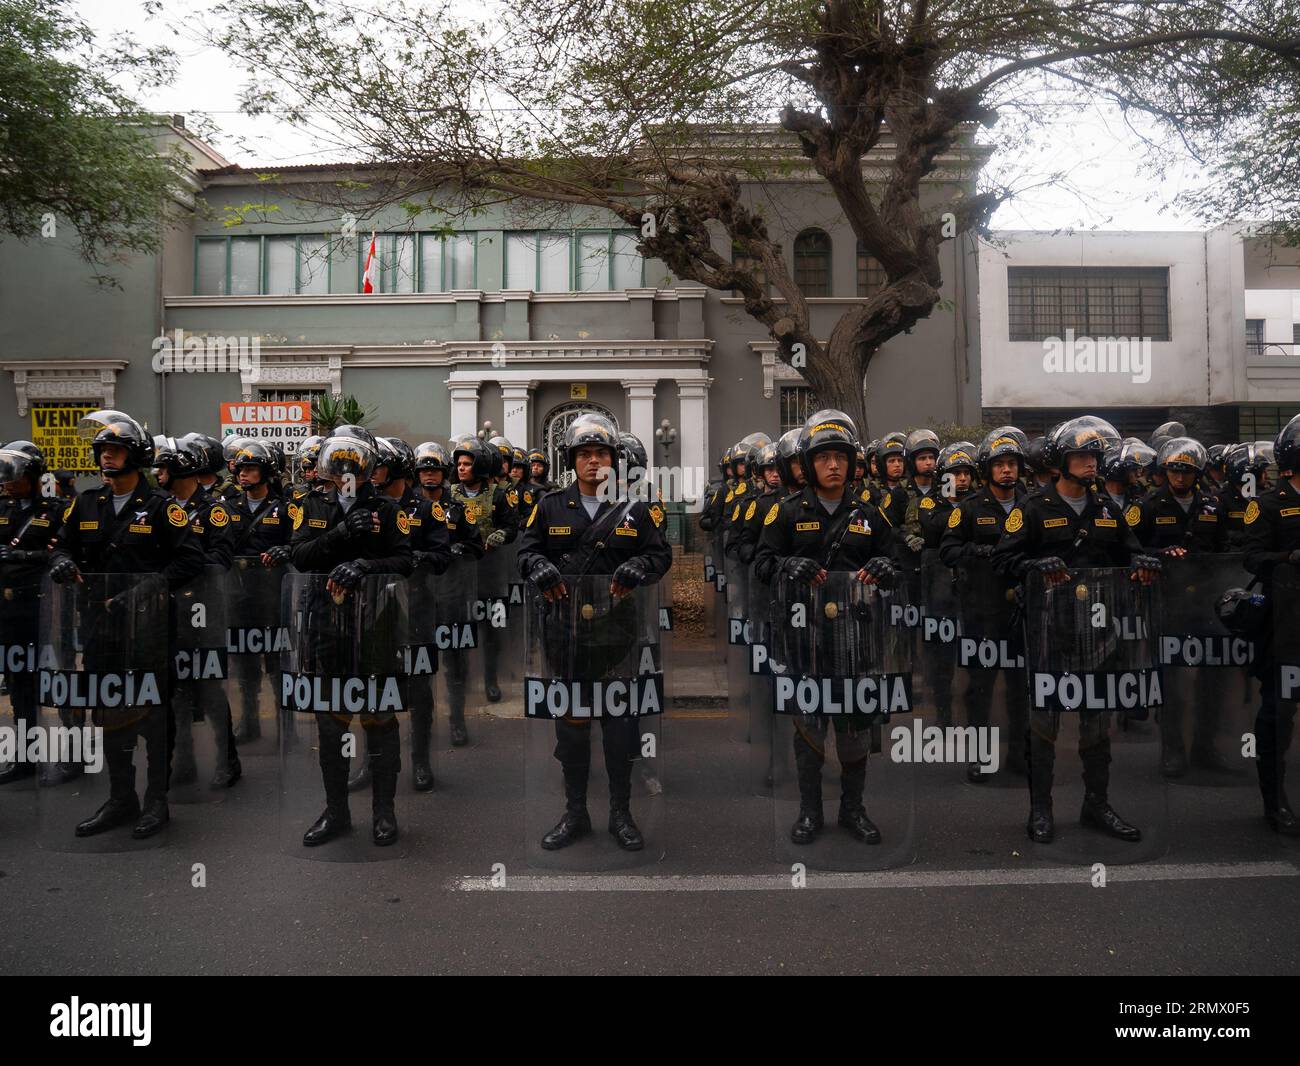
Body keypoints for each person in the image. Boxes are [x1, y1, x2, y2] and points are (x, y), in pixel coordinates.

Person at [992, 415, 1162, 845]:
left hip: (1099, 634)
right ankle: (1041, 808)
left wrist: (1142, 566)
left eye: (1094, 456)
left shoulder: (1107, 508)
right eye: (1082, 455)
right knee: (1044, 724)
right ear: (1060, 461)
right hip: (1048, 633)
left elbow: (1132, 553)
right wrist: (1034, 565)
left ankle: (1096, 804)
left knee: (1096, 723)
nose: (1091, 463)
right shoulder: (1031, 508)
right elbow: (1002, 561)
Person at [517, 411, 671, 852]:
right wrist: (539, 565)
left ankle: (621, 814)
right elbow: (524, 554)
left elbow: (661, 557)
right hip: (564, 634)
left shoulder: (633, 508)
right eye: (584, 453)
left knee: (620, 727)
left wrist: (641, 564)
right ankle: (575, 813)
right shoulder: (548, 506)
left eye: (600, 452)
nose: (592, 461)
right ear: (572, 460)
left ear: (613, 459)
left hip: (617, 635)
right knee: (572, 727)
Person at [50, 410, 205, 839]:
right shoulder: (84, 502)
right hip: (100, 627)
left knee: (153, 714)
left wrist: (149, 587)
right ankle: (121, 798)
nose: (107, 458)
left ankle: (156, 799)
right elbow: (61, 547)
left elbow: (191, 559)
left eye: (115, 451)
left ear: (135, 456)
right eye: (102, 451)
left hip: (150, 627)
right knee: (109, 709)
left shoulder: (162, 508)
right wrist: (61, 561)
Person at [754, 410, 898, 846]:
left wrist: (885, 565)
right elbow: (761, 564)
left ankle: (854, 810)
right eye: (823, 458)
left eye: (840, 457)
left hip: (857, 640)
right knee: (809, 729)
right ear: (808, 463)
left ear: (853, 463)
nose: (833, 465)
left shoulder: (871, 515)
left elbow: (898, 567)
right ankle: (809, 812)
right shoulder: (785, 511)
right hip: (804, 638)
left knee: (853, 730)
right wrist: (786, 564)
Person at [289, 424, 413, 847]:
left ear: (367, 469)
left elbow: (405, 561)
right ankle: (336, 811)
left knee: (379, 719)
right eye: (338, 463)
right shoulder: (313, 505)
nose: (346, 470)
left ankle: (384, 812)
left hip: (376, 625)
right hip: (327, 625)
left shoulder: (388, 509)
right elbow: (300, 557)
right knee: (331, 723)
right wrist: (340, 534)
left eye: (354, 464)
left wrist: (364, 565)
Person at [1241, 413, 1300, 835]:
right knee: (1278, 711)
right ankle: (1273, 799)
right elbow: (1251, 557)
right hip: (1284, 624)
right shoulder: (1267, 504)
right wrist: (1289, 560)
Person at [0, 442, 67, 785]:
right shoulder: (2, 508)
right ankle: (25, 757)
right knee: (18, 683)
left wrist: (22, 557)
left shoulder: (56, 510)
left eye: (14, 475)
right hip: (9, 609)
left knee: (60, 681)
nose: (7, 481)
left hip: (45, 606)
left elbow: (64, 553)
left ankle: (72, 755)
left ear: (32, 475)